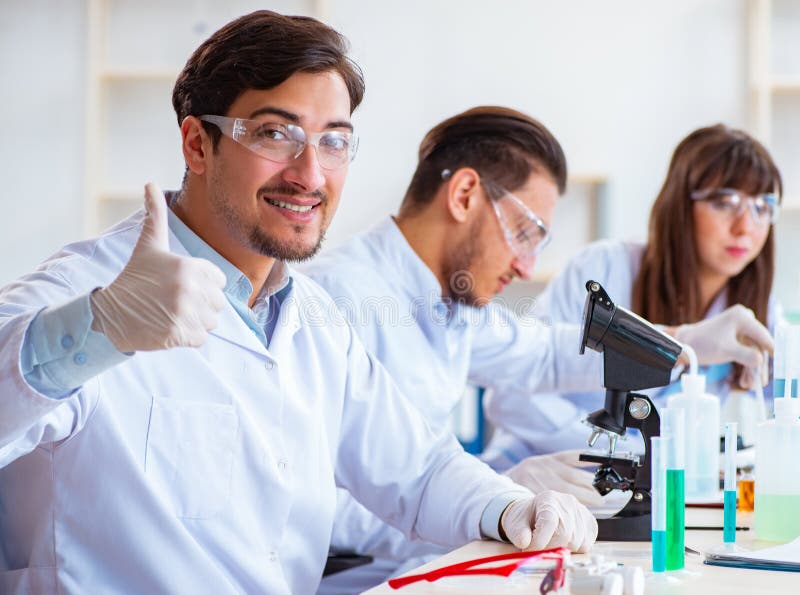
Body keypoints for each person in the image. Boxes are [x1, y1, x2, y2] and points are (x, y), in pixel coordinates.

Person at [0, 12, 598, 595]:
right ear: (197, 144)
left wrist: (510, 508)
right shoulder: (91, 289)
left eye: (333, 142)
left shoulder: (311, 318)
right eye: (273, 133)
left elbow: (416, 469)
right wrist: (97, 329)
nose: (310, 173)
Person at [303, 110, 775, 593]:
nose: (528, 267)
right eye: (525, 233)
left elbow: (545, 354)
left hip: (433, 557)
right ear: (464, 196)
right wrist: (498, 494)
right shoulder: (339, 301)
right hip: (359, 577)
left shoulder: (448, 299)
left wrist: (687, 341)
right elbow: (321, 508)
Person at [484, 123, 781, 463]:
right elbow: (511, 396)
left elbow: (782, 408)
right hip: (537, 471)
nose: (746, 226)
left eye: (762, 206)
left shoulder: (753, 312)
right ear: (680, 205)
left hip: (651, 490)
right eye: (725, 202)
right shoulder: (602, 270)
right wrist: (623, 451)